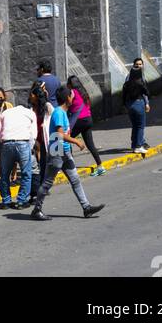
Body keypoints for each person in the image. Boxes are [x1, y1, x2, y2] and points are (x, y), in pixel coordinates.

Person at [31, 85, 104, 222]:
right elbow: (59, 134)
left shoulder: (62, 112)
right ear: (67, 98)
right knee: (47, 182)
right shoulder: (59, 112)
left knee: (75, 179)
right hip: (57, 149)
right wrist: (76, 142)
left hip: (63, 150)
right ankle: (37, 210)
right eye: (72, 95)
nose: (73, 98)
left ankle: (86, 207)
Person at [0, 93, 37, 209]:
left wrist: (4, 142)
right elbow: (33, 134)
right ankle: (21, 200)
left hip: (6, 143)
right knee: (26, 173)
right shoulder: (30, 113)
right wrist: (30, 147)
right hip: (23, 143)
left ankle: (6, 201)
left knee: (4, 175)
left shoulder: (5, 113)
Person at [67, 76, 104, 175]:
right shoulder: (84, 92)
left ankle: (70, 166)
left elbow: (68, 104)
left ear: (70, 84)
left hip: (79, 120)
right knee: (90, 144)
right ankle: (100, 166)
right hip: (88, 119)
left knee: (66, 139)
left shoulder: (72, 92)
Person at [122, 58, 151, 155]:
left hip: (130, 104)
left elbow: (124, 92)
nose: (139, 66)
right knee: (140, 126)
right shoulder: (138, 79)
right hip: (138, 103)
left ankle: (135, 145)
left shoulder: (128, 79)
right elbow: (146, 93)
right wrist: (147, 103)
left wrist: (125, 104)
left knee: (135, 125)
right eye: (137, 64)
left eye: (140, 64)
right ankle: (139, 146)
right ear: (133, 65)